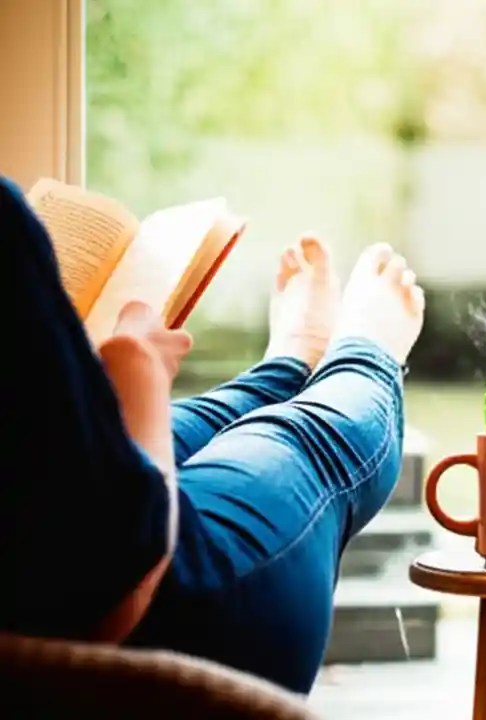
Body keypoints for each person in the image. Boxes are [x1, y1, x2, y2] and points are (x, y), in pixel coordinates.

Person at [0, 175, 424, 694]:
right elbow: (109, 589)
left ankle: (290, 363)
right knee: (305, 440)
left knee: (203, 417)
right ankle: (365, 353)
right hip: (146, 629)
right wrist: (138, 366)